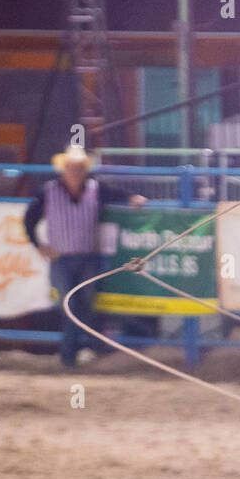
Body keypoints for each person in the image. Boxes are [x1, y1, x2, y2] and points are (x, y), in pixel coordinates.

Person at [23, 145, 147, 369]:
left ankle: (79, 352)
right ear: (64, 169)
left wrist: (132, 198)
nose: (75, 171)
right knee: (69, 304)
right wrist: (38, 244)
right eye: (71, 167)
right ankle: (79, 352)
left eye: (79, 168)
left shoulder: (95, 188)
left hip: (88, 256)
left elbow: (116, 193)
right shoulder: (48, 191)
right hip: (61, 258)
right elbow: (29, 219)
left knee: (86, 302)